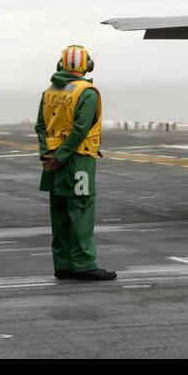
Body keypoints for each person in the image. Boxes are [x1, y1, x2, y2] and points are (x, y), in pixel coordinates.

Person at [35, 44, 116, 281]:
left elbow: (40, 126)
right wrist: (62, 157)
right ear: (86, 65)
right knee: (81, 211)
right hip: (78, 161)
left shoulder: (49, 92)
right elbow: (80, 130)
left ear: (61, 64)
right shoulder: (86, 92)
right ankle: (84, 264)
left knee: (59, 213)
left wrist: (48, 155)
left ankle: (63, 265)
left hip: (51, 163)